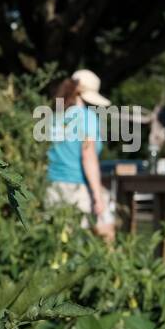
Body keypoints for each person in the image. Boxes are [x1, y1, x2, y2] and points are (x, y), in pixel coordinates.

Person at [44, 69, 115, 243]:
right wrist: (98, 197)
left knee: (60, 242)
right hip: (78, 188)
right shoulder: (86, 117)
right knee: (106, 232)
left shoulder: (55, 117)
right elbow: (88, 157)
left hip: (52, 187)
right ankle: (111, 268)